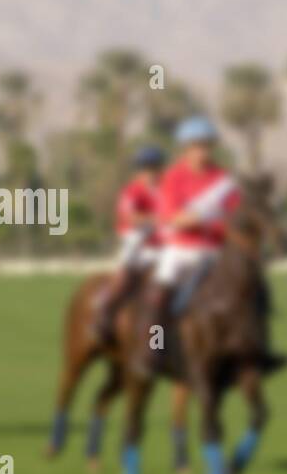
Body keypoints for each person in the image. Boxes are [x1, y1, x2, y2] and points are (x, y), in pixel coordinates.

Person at [140, 116, 239, 373]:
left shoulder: (223, 179)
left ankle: (250, 346)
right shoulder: (173, 177)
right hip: (181, 250)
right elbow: (173, 218)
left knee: (248, 287)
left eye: (207, 145)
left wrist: (213, 222)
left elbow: (235, 216)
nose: (202, 151)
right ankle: (154, 348)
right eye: (197, 146)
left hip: (216, 250)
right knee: (159, 293)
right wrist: (205, 217)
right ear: (185, 148)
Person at [93, 145, 164, 340]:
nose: (150, 172)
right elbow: (130, 217)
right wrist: (156, 219)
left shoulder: (164, 189)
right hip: (135, 239)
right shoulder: (132, 191)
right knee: (124, 274)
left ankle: (158, 339)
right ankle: (104, 310)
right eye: (145, 168)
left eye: (154, 168)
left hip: (160, 242)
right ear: (138, 170)